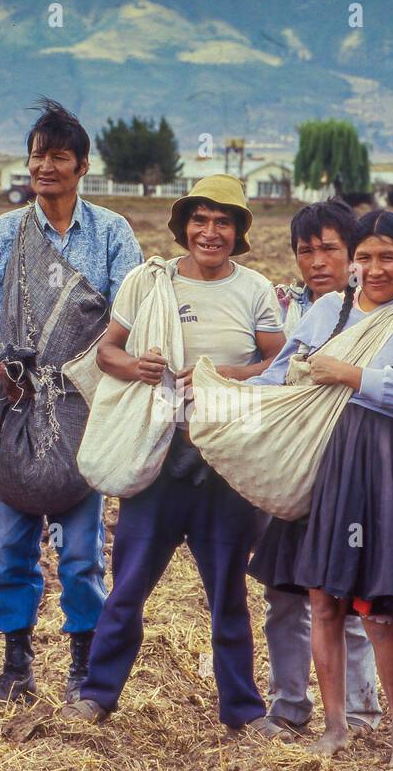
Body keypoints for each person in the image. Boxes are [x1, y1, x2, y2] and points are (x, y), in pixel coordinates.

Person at [59, 175, 286, 737]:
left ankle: (244, 709)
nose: (211, 232)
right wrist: (136, 367)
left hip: (226, 464)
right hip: (159, 457)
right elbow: (107, 351)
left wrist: (228, 374)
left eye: (223, 222)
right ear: (184, 226)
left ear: (239, 232)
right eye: (200, 220)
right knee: (130, 584)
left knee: (228, 593)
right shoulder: (148, 281)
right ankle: (98, 695)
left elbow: (281, 370)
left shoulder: (255, 290)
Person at [249, 209, 393, 768]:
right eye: (365, 257)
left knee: (379, 607)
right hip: (326, 463)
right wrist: (234, 400)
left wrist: (349, 374)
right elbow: (282, 371)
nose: (375, 268)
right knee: (323, 598)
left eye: (389, 257)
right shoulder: (328, 310)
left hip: (388, 470)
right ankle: (334, 725)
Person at [0, 99, 143, 702]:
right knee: (11, 548)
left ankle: (82, 669)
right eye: (38, 156)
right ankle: (16, 669)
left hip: (82, 409)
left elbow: (129, 320)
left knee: (81, 551)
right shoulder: (3, 234)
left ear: (82, 166)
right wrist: (1, 367)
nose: (45, 167)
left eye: (58, 157)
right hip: (13, 408)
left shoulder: (112, 234)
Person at [259, 199, 383, 740]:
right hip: (294, 472)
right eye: (305, 250)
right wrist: (219, 397)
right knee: (286, 594)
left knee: (350, 599)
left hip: (355, 475)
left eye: (329, 248)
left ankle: (360, 711)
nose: (316, 260)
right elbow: (276, 375)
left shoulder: (386, 317)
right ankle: (289, 704)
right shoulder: (295, 309)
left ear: (353, 254)